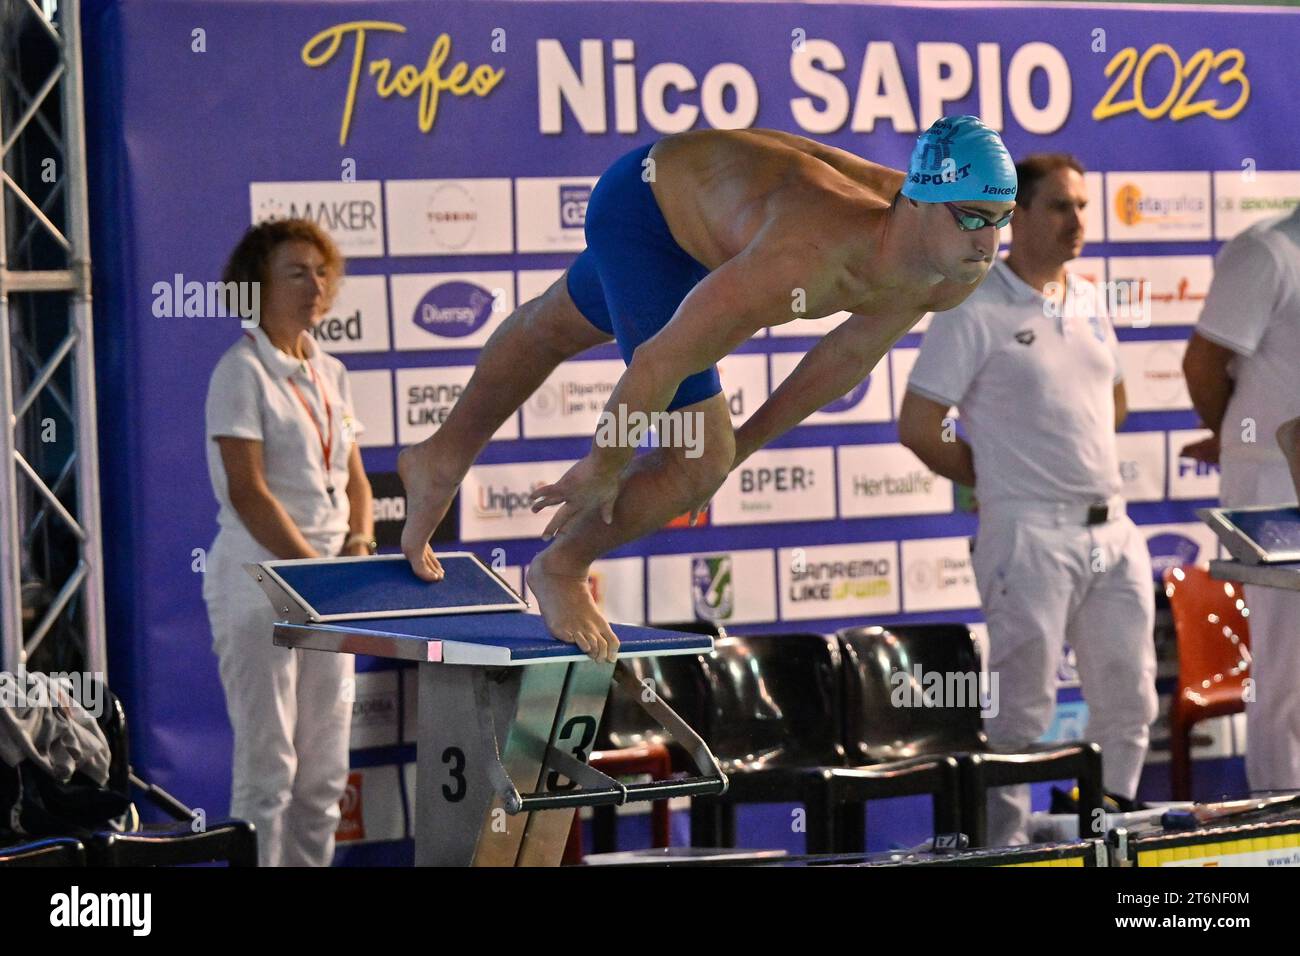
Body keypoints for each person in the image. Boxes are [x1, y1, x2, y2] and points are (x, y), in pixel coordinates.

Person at [399, 116, 1017, 662]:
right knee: (701, 456)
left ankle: (439, 456)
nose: (987, 242)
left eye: (1000, 220)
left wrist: (747, 446)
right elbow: (656, 364)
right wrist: (604, 463)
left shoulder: (950, 268)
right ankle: (561, 566)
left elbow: (844, 360)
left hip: (713, 209)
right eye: (972, 218)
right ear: (918, 201)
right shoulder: (803, 258)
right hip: (646, 213)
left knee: (550, 327)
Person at [898, 154, 1157, 845]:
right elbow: (918, 426)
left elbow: (1115, 404)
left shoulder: (1090, 298)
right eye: (1059, 207)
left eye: (1082, 206)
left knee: (1130, 701)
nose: (1077, 221)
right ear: (1017, 216)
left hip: (1112, 530)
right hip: (1027, 534)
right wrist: (1002, 478)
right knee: (1021, 714)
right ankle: (1004, 853)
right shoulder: (972, 306)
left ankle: (1109, 837)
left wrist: (1060, 451)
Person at [202, 218, 381, 866]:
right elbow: (248, 492)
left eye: (321, 271)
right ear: (257, 286)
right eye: (296, 272)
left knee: (325, 774)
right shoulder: (240, 370)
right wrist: (317, 574)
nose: (316, 283)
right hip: (261, 582)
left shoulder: (331, 371)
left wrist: (358, 545)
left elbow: (358, 482)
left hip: (325, 590)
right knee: (269, 768)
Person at [1182, 204, 1300, 792]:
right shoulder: (1269, 251)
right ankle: (1281, 825)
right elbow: (1202, 362)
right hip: (1273, 482)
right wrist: (1236, 436)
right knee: (1286, 671)